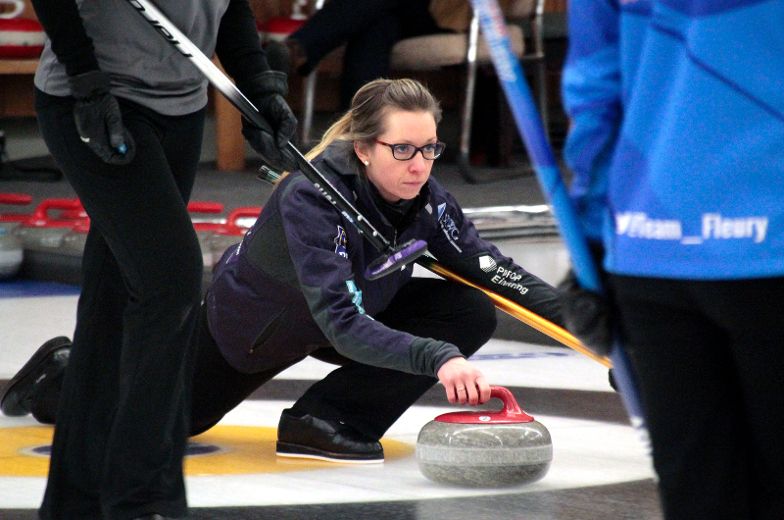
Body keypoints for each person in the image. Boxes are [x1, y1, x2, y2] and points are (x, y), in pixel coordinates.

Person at [3, 78, 563, 474]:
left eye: (429, 149)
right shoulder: (311, 198)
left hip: (347, 315)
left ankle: (324, 420)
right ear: (364, 149)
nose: (419, 165)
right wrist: (438, 357)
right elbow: (342, 322)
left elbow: (493, 269)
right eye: (403, 150)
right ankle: (62, 374)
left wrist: (598, 329)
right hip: (253, 332)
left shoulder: (424, 199)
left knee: (468, 308)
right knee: (169, 423)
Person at [26, 0, 297, 518]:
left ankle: (74, 503)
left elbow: (229, 6)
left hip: (181, 108)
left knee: (114, 298)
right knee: (169, 280)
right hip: (94, 101)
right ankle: (143, 498)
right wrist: (85, 76)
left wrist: (257, 88)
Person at [558, 1, 784, 519]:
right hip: (766, 240)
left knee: (699, 494)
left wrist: (594, 235)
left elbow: (594, 87)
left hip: (649, 241)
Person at [278, 0, 517, 109]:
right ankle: (361, 132)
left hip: (454, 13)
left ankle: (300, 48)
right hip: (397, 13)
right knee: (376, 27)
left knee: (372, 17)